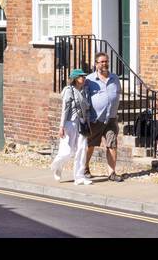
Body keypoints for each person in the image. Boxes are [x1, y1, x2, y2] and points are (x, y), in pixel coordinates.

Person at [84, 53, 123, 181]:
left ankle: (112, 173)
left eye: (106, 61)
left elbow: (117, 94)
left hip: (111, 118)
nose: (104, 64)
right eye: (101, 62)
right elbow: (85, 99)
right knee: (90, 144)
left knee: (112, 144)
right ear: (96, 64)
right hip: (95, 119)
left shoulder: (115, 78)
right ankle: (84, 168)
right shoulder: (89, 80)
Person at [52, 68, 92, 185]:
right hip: (70, 123)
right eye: (81, 77)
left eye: (84, 77)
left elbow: (87, 108)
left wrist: (87, 123)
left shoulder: (85, 91)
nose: (83, 79)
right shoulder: (69, 90)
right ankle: (57, 166)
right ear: (75, 79)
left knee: (82, 149)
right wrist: (61, 126)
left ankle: (79, 177)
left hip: (82, 123)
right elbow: (65, 109)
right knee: (67, 151)